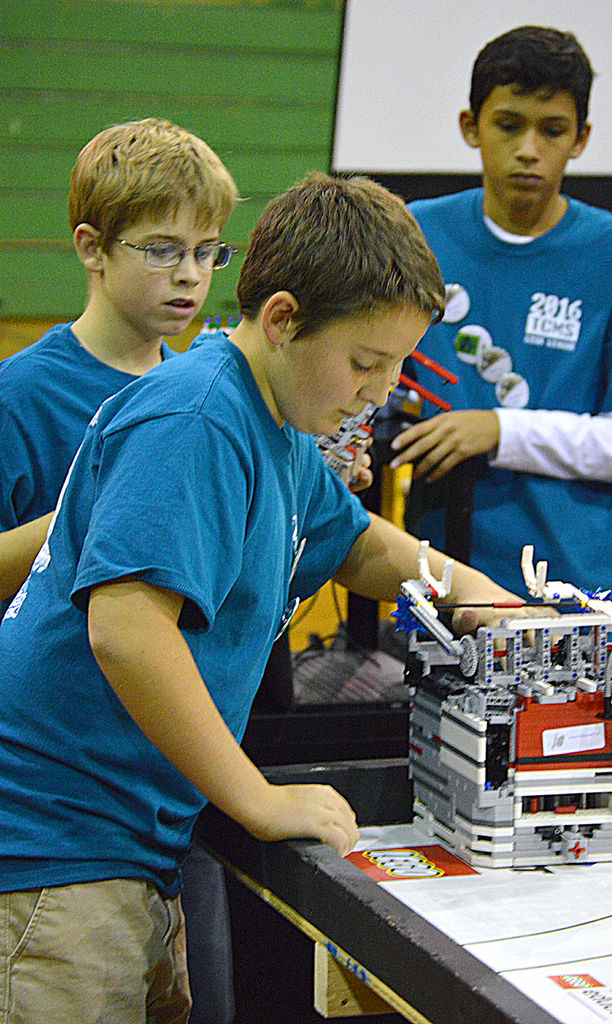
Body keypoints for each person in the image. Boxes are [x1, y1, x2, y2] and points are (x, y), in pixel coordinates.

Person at [0, 171, 528, 1023]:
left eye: (396, 364)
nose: (380, 389)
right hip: (54, 855)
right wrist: (255, 796)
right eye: (364, 361)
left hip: (121, 847)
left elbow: (358, 542)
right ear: (282, 320)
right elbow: (127, 631)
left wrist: (491, 600)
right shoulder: (199, 416)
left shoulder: (277, 425)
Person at [0, 117, 239, 1024]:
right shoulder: (21, 396)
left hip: (157, 817)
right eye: (163, 249)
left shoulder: (199, 399)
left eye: (209, 253)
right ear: (90, 249)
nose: (189, 275)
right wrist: (80, 523)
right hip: (50, 822)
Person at [390, 25, 612, 614]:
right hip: (435, 580)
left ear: (581, 138)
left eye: (552, 130)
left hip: (578, 591)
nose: (529, 148)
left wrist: (501, 430)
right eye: (508, 124)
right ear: (471, 126)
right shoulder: (412, 232)